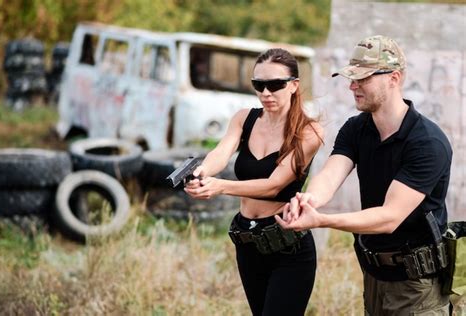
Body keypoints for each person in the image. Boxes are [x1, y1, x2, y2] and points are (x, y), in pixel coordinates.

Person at [276, 35, 452, 315]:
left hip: (416, 286)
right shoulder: (356, 129)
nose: (352, 86)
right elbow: (332, 173)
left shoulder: (427, 143)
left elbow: (389, 217)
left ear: (394, 78)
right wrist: (307, 200)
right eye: (351, 77)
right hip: (374, 275)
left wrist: (322, 221)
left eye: (363, 78)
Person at [184, 48, 323, 316]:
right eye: (258, 85)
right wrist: (202, 173)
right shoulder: (244, 118)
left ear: (294, 86)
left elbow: (274, 185)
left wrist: (220, 186)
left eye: (275, 85)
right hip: (248, 241)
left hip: (287, 245)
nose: (266, 93)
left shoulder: (309, 131)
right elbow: (220, 154)